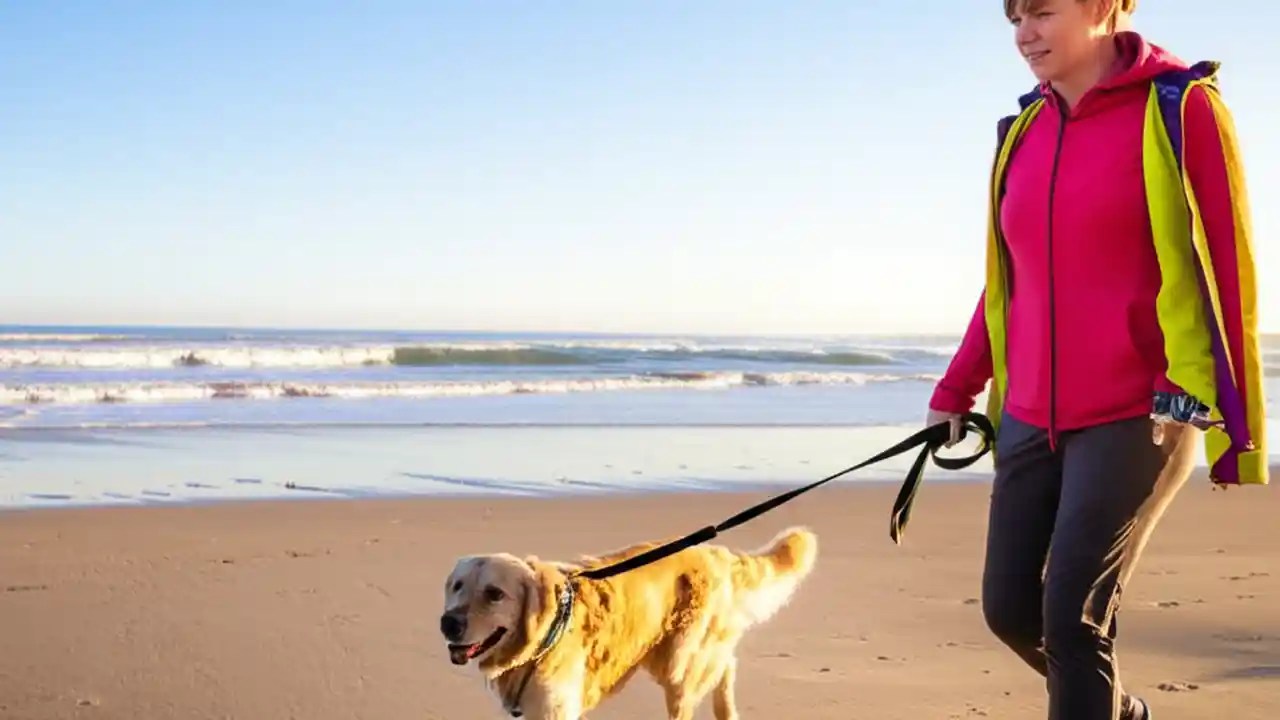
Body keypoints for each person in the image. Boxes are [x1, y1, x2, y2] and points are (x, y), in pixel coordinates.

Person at [926, 1, 1269, 718]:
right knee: (1009, 608)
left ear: (1104, 7)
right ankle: (1122, 712)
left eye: (1043, 13)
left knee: (1072, 620)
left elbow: (1226, 262)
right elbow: (1007, 276)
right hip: (1030, 412)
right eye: (1015, 19)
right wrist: (959, 385)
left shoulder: (1180, 109)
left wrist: (1220, 413)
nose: (1024, 35)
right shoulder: (1022, 131)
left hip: (1139, 411)